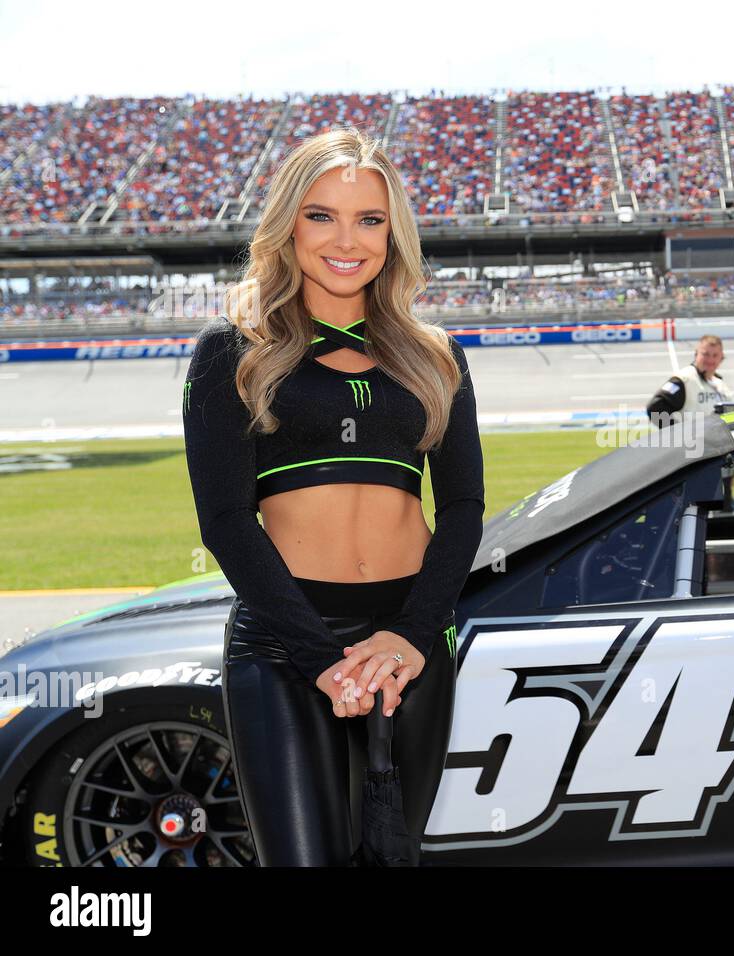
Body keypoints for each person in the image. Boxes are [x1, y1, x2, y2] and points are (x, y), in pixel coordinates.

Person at [182, 127, 485, 866]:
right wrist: (321, 657)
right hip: (286, 646)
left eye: (370, 219)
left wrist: (413, 636)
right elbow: (226, 522)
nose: (346, 238)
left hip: (408, 645)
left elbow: (466, 508)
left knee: (391, 856)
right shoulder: (234, 349)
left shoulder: (436, 354)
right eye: (321, 215)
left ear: (394, 233)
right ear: (288, 223)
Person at [645, 334, 734, 428]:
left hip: (716, 441)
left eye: (715, 355)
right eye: (705, 354)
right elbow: (654, 408)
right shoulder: (685, 379)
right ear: (696, 354)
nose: (710, 359)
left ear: (721, 357)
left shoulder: (721, 385)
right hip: (692, 442)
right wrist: (678, 434)